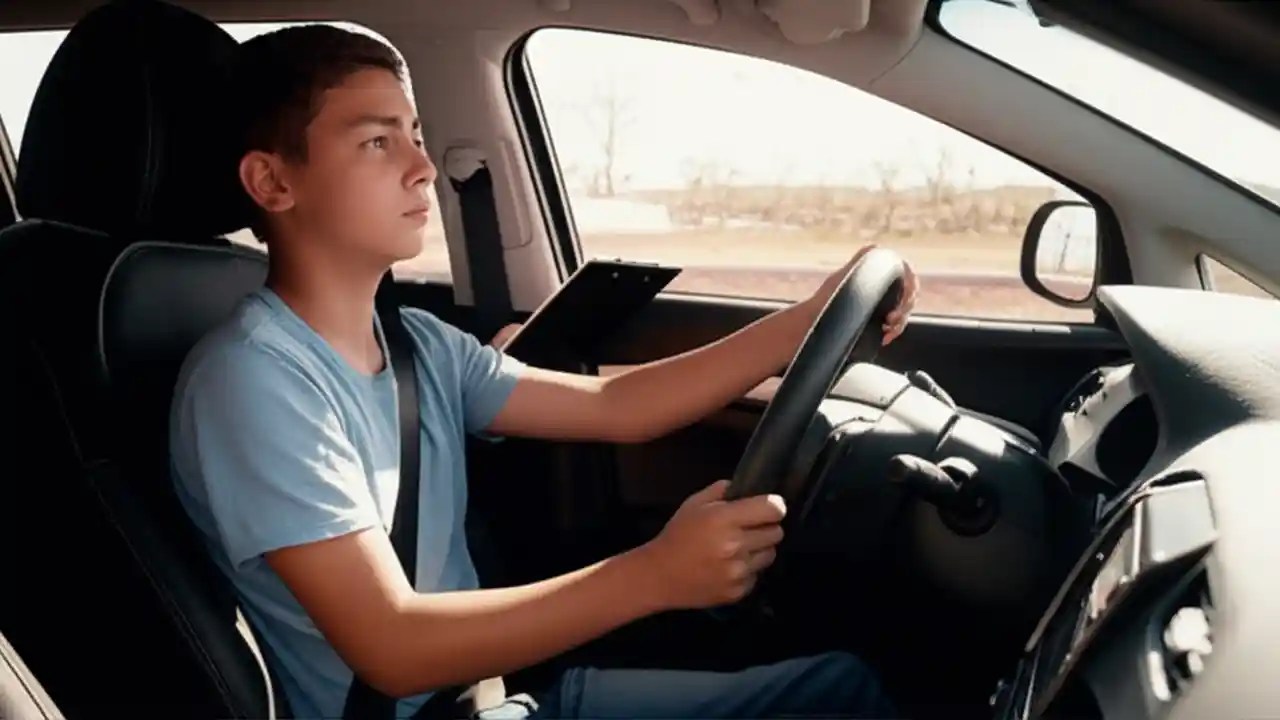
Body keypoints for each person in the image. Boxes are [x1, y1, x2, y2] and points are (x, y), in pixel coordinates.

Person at [169, 24, 917, 720]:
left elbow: (617, 405)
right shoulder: (253, 383)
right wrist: (656, 575)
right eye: (375, 142)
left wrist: (813, 314)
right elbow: (392, 648)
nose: (423, 167)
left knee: (845, 688)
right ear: (272, 183)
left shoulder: (417, 345)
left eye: (417, 135)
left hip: (490, 697)